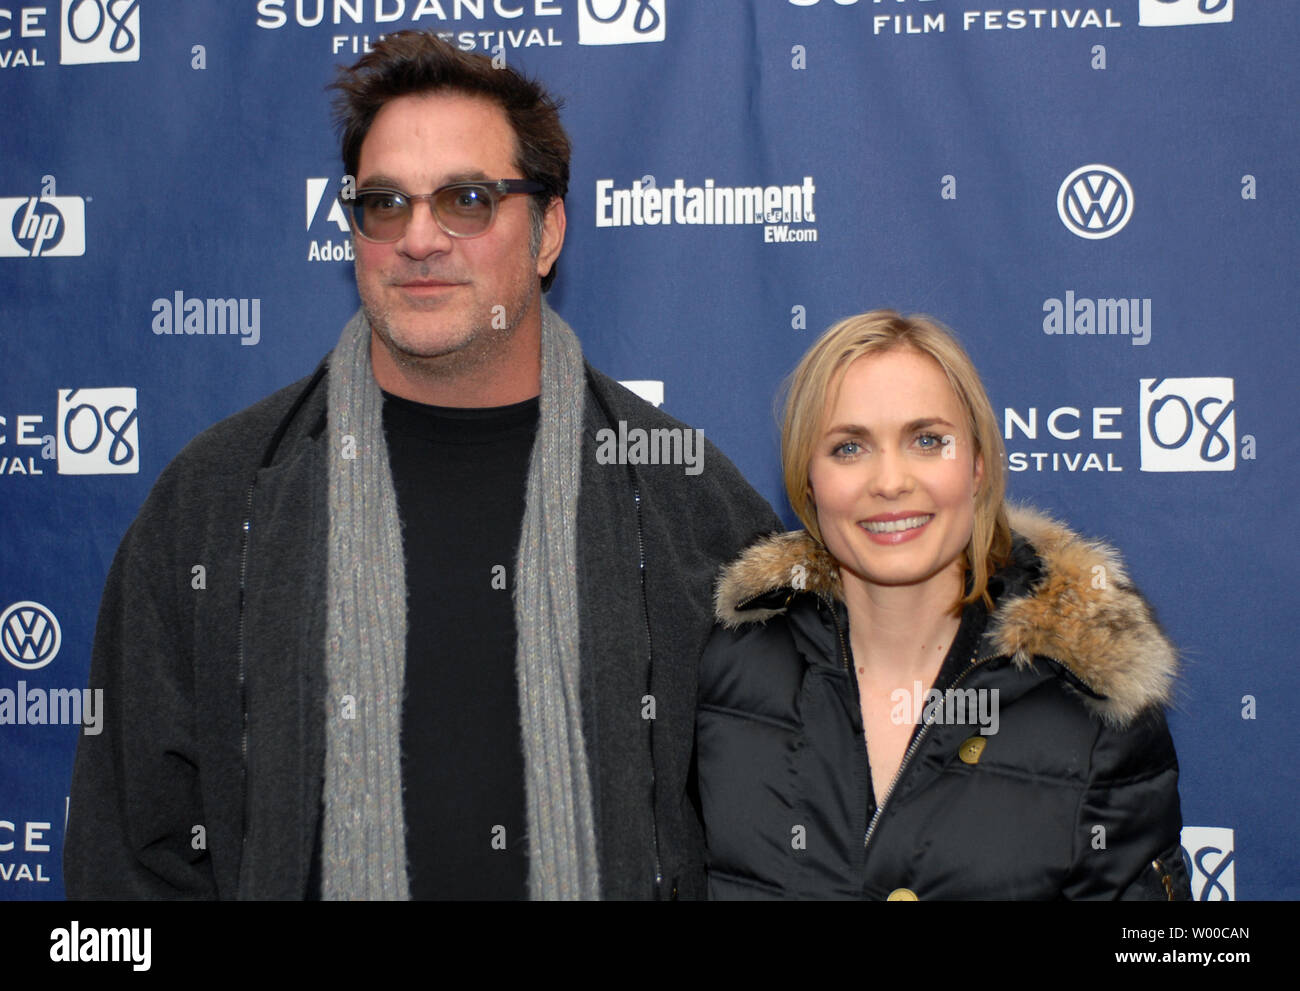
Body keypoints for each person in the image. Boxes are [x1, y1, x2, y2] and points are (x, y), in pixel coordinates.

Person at [64, 32, 779, 901]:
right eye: (385, 204)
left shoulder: (683, 497)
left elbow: (771, 842)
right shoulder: (217, 501)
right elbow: (130, 853)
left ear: (548, 232)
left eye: (467, 200)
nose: (418, 238)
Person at [696, 310, 1191, 899]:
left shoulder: (1091, 700)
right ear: (808, 481)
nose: (890, 481)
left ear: (977, 467)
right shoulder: (727, 665)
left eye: (928, 441)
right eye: (849, 447)